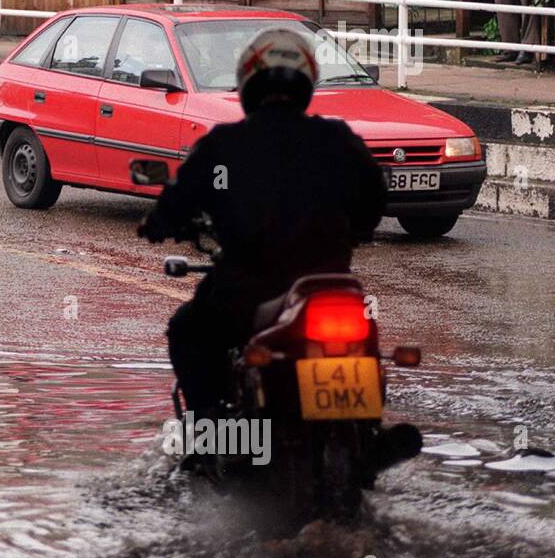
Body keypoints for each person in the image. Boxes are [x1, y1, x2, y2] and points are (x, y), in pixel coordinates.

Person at [139, 28, 387, 416]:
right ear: (306, 82)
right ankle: (367, 428)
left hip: (249, 289)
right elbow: (375, 195)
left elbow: (178, 200)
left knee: (187, 332)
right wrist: (356, 230)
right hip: (329, 284)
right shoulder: (336, 138)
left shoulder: (224, 143)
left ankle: (213, 432)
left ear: (248, 83)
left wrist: (157, 224)